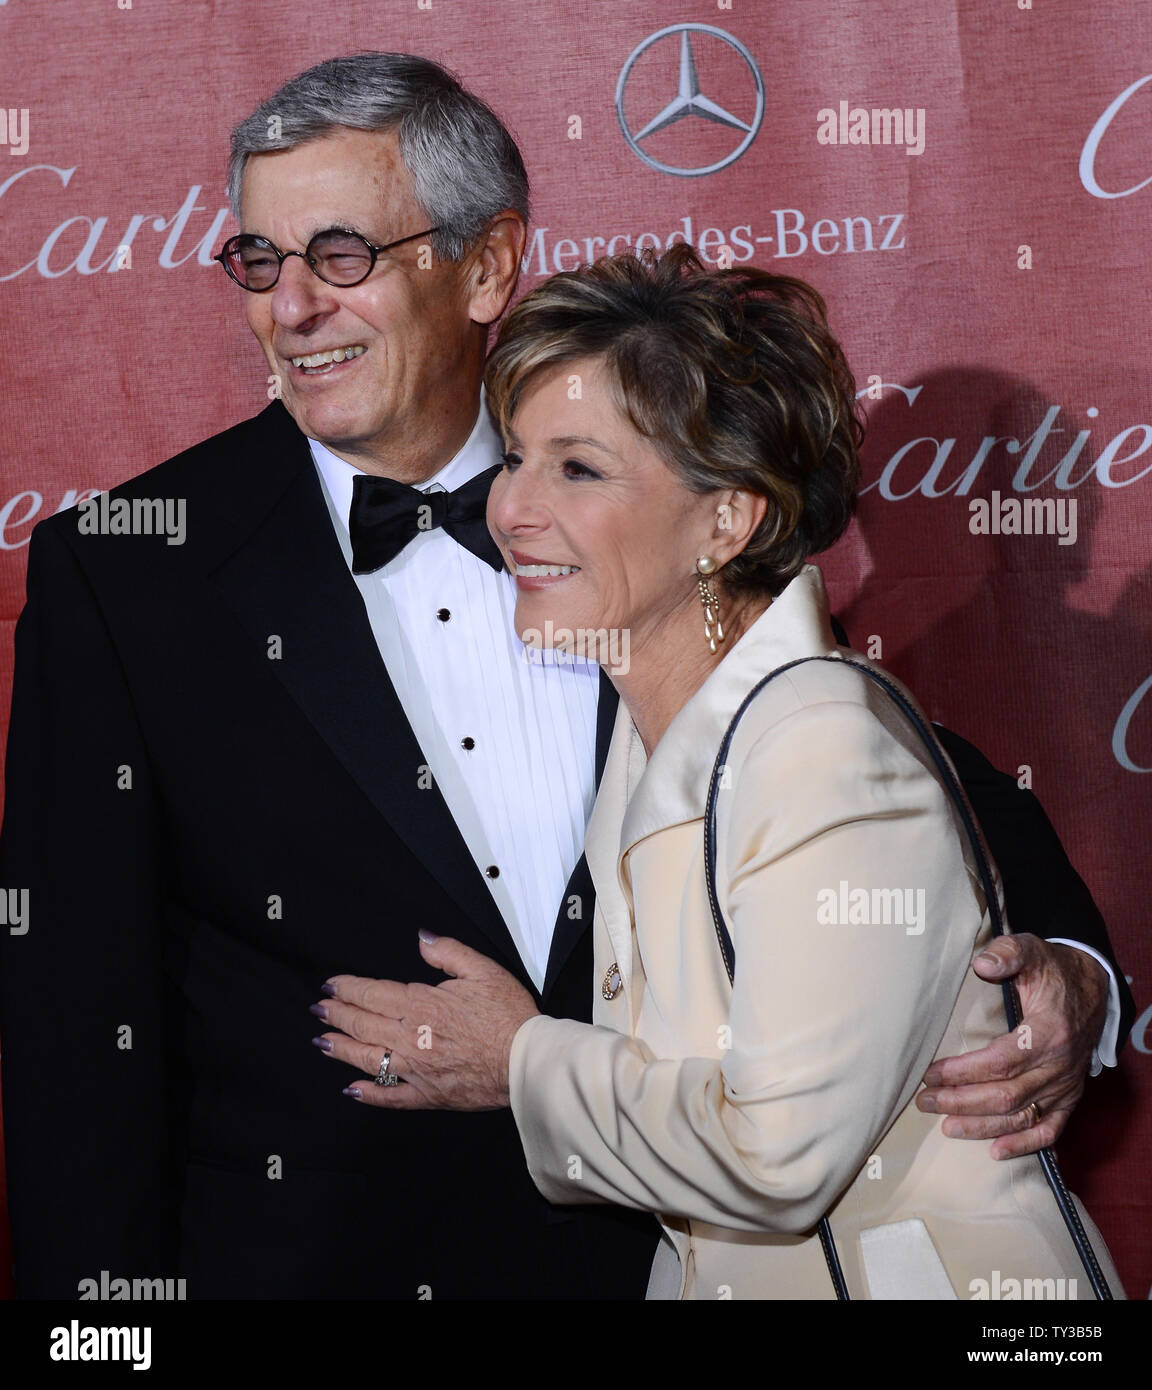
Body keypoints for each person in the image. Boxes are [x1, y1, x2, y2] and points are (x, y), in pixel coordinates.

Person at [0, 53, 1131, 1300]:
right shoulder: (130, 569)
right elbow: (72, 1017)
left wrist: (1071, 970)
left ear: (486, 266)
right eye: (259, 263)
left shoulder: (641, 499)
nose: (293, 308)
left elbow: (895, 787)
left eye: (341, 254)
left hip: (671, 1265)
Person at [311, 245, 1127, 1299]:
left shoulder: (816, 737)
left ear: (727, 519)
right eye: (513, 458)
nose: (507, 509)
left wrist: (520, 1062)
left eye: (579, 467)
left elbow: (780, 1157)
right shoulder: (657, 705)